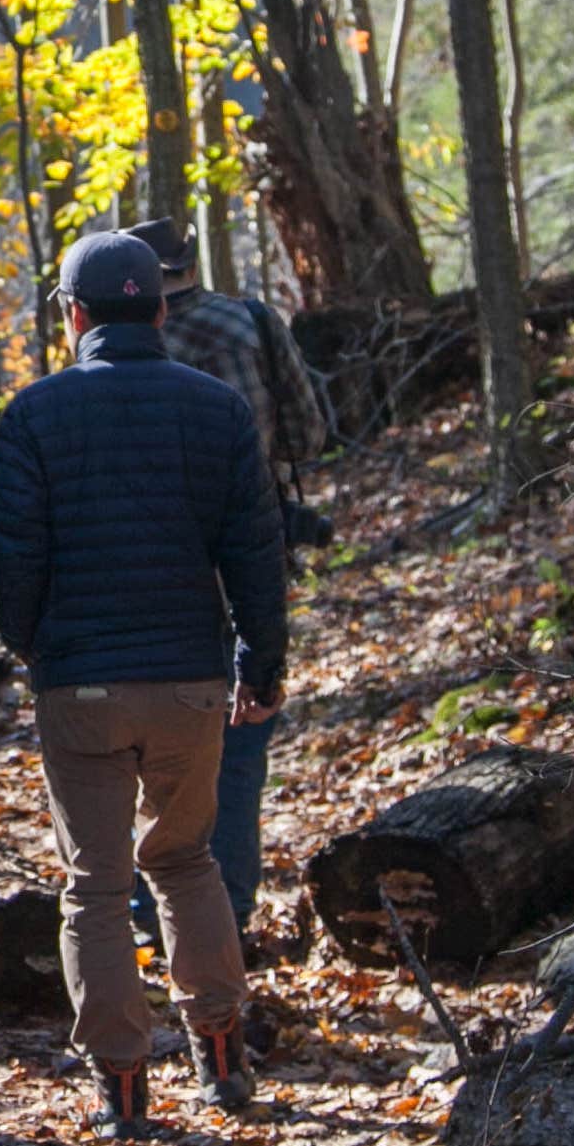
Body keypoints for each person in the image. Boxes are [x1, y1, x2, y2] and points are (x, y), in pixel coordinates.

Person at [0, 230, 289, 1138]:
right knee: (187, 860)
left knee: (95, 883)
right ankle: (222, 1053)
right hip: (193, 679)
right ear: (159, 309)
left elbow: (14, 560)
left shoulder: (34, 414)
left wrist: (36, 650)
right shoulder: (218, 409)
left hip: (79, 682)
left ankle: (123, 1087)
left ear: (74, 317)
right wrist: (260, 666)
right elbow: (256, 554)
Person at [125, 217, 328, 947]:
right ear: (190, 262)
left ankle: (155, 913)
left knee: (156, 745)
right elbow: (308, 436)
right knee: (243, 742)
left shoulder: (118, 348)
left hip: (154, 568)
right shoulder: (251, 321)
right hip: (253, 555)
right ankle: (231, 911)